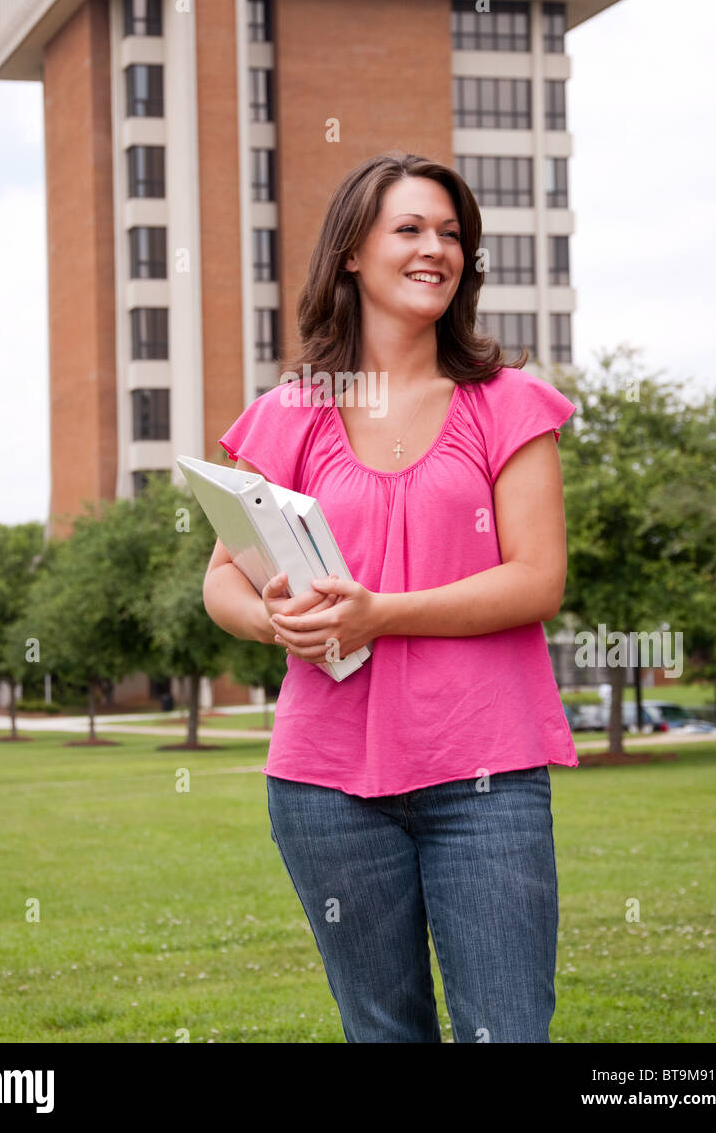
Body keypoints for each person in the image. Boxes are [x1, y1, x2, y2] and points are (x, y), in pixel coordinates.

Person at [202, 150, 579, 1043]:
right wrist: (272, 620)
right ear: (350, 255)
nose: (435, 249)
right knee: (381, 1032)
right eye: (408, 229)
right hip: (324, 785)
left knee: (509, 1029)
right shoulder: (292, 411)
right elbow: (223, 577)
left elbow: (536, 579)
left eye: (450, 234)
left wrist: (382, 613)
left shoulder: (507, 402)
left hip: (483, 774)